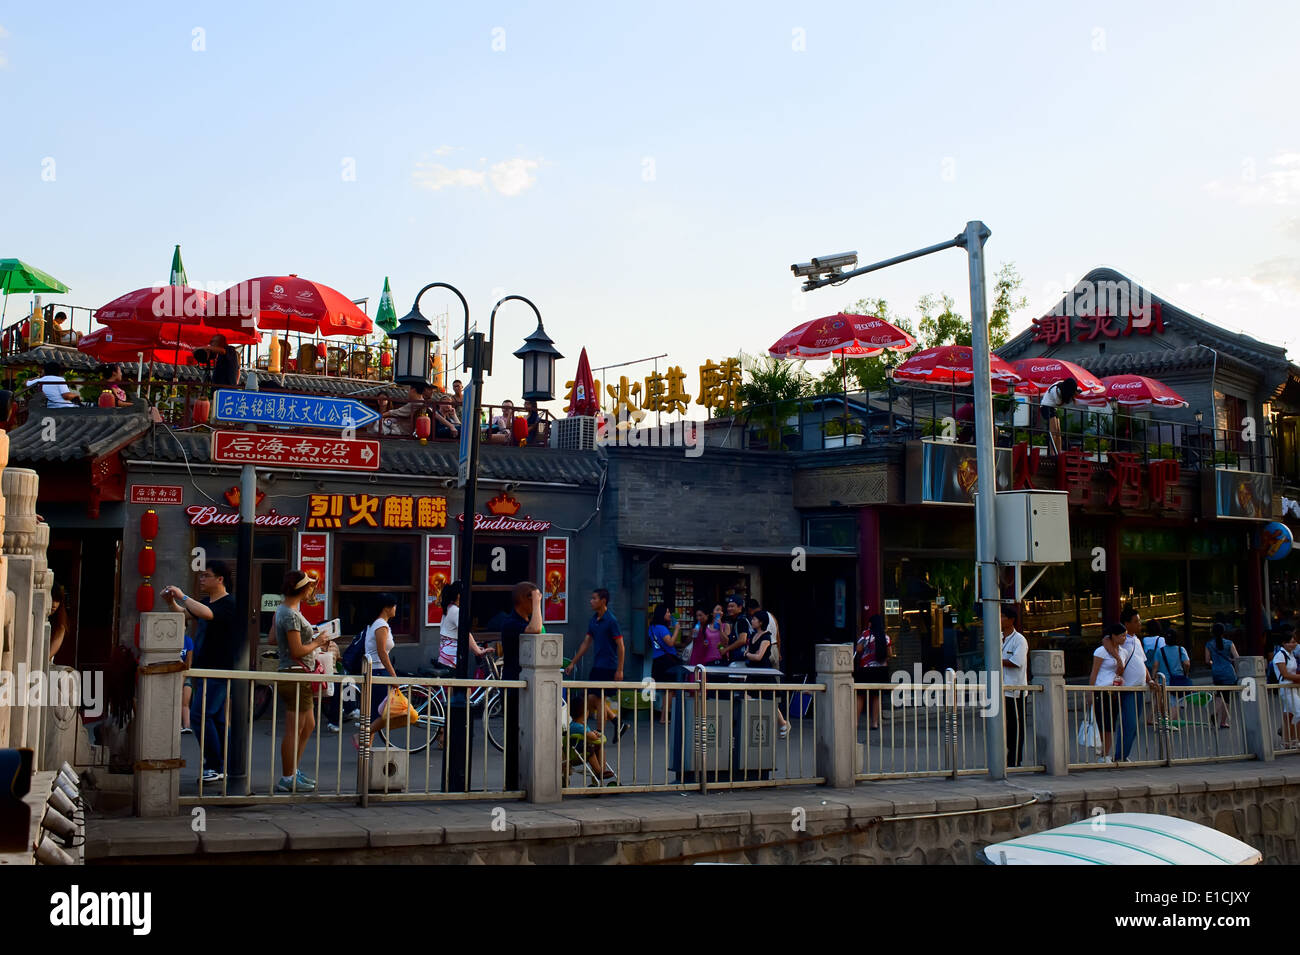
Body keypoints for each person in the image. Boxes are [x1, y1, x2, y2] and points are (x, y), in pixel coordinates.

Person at [163, 561, 237, 784]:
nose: (202, 579)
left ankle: (214, 765)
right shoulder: (206, 602)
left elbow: (207, 614)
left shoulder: (228, 603)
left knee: (200, 715)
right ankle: (226, 764)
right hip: (204, 668)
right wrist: (171, 601)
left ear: (220, 579)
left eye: (207, 575)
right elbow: (185, 614)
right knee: (214, 718)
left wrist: (183, 596)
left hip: (219, 668)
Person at [273, 570, 333, 793]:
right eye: (309, 586)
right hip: (296, 672)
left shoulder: (283, 610)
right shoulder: (290, 614)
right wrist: (317, 641)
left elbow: (273, 638)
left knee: (308, 725)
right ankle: (287, 776)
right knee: (295, 728)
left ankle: (292, 771)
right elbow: (297, 649)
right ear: (301, 589)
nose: (311, 590)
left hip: (298, 672)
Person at [565, 588, 628, 739]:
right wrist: (573, 662)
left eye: (594, 598)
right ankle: (616, 721)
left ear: (603, 601)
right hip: (597, 665)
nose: (591, 601)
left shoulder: (611, 621)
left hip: (608, 666)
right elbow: (586, 643)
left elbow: (621, 645)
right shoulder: (593, 620)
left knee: (598, 698)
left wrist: (620, 669)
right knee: (590, 698)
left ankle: (600, 732)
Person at [1089, 619, 1155, 763]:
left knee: (1111, 723)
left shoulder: (1128, 647)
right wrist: (1090, 692)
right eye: (1121, 636)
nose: (1124, 638)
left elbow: (1137, 665)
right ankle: (1103, 754)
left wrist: (1148, 679)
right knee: (1103, 722)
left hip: (1115, 690)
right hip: (1102, 689)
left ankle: (1109, 754)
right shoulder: (1102, 650)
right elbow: (1094, 673)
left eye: (1125, 636)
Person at [499, 581, 543, 790]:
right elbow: (535, 629)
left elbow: (540, 630)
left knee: (527, 733)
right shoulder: (511, 623)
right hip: (513, 684)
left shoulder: (523, 620)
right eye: (533, 598)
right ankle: (513, 783)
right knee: (514, 734)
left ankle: (524, 780)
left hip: (527, 683)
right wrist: (536, 602)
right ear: (523, 600)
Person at [746, 609, 790, 738]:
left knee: (769, 700)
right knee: (747, 695)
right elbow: (750, 650)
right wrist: (749, 654)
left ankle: (783, 723)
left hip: (763, 672)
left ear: (761, 622)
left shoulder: (766, 637)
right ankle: (752, 723)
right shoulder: (752, 635)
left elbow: (758, 656)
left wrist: (748, 654)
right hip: (753, 671)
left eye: (754, 619)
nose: (752, 621)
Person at [361, 592, 400, 731]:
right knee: (385, 712)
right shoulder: (380, 625)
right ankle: (361, 738)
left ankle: (365, 747)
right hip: (378, 670)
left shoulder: (378, 624)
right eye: (394, 605)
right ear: (386, 608)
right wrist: (393, 676)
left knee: (375, 714)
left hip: (376, 670)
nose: (396, 608)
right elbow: (382, 652)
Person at [436, 581, 488, 670]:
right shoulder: (456, 611)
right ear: (459, 595)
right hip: (452, 659)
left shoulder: (449, 608)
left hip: (445, 656)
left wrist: (475, 647)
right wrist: (477, 651)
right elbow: (465, 633)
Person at [1000, 605, 1028, 768]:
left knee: (1015, 727)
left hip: (1015, 691)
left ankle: (1015, 760)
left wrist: (996, 660)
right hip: (1000, 690)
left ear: (1011, 620)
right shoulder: (998, 637)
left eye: (1003, 617)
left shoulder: (1019, 640)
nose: (1000, 620)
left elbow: (1015, 662)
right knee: (1001, 727)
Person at [566, 690, 614, 782]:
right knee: (592, 751)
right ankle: (600, 772)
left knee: (599, 747)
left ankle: (601, 771)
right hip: (577, 753)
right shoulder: (578, 727)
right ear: (586, 713)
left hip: (581, 750)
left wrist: (593, 734)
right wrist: (596, 734)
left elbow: (590, 734)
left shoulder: (579, 725)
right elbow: (592, 737)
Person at [648, 603, 682, 725]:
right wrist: (677, 629)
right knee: (670, 690)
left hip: (657, 660)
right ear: (662, 614)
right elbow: (671, 643)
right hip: (667, 661)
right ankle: (664, 717)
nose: (669, 614)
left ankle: (663, 716)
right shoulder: (662, 628)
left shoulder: (651, 628)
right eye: (667, 612)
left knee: (664, 690)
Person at [854, 613, 890, 729]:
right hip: (881, 670)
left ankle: (856, 722)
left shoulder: (866, 634)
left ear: (871, 623)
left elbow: (858, 649)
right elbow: (889, 653)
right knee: (876, 696)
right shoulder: (885, 637)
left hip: (866, 670)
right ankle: (874, 723)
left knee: (860, 696)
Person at [1152, 628, 1191, 729]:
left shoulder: (1160, 651)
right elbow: (1187, 663)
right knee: (1175, 702)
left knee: (1163, 702)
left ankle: (1166, 720)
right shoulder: (1180, 649)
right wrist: (1186, 673)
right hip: (1177, 680)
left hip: (1163, 681)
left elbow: (1155, 666)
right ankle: (1170, 723)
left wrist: (1153, 678)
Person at [1205, 622, 1240, 730]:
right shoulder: (1229, 643)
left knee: (1219, 694)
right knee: (1227, 697)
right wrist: (1230, 661)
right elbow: (1237, 658)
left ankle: (1215, 713)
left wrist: (1214, 664)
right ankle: (1223, 722)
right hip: (1228, 673)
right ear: (1224, 632)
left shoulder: (1209, 644)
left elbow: (1207, 660)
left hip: (1217, 673)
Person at [1272, 631, 1300, 749]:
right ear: (1284, 643)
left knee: (1289, 715)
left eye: (1295, 642)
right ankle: (1294, 738)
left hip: (1292, 687)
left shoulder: (1291, 654)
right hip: (1286, 687)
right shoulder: (1280, 655)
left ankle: (1288, 741)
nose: (1294, 644)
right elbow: (1285, 674)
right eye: (1291, 642)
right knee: (1298, 713)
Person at [1038, 378, 1079, 455]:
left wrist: (1073, 395)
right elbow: (1059, 403)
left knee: (1058, 432)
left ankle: (1058, 452)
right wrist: (1071, 398)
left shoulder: (1063, 387)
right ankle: (1051, 452)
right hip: (1045, 407)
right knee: (1053, 430)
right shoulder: (1055, 390)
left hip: (1052, 408)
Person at [719, 594, 751, 666]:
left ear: (740, 607)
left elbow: (742, 640)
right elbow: (726, 641)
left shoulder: (741, 621)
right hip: (735, 659)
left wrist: (726, 649)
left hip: (741, 660)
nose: (729, 609)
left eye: (732, 606)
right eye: (728, 606)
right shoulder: (735, 621)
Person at [180, 628, 195, 735]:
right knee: (175, 702)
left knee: (185, 701)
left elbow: (189, 661)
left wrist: (184, 677)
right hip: (173, 673)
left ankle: (187, 726)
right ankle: (177, 725)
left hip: (185, 672)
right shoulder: (172, 641)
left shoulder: (188, 640)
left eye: (184, 625)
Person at [48, 584, 68, 660]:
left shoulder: (60, 625)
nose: (54, 605)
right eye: (52, 599)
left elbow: (49, 654)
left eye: (57, 600)